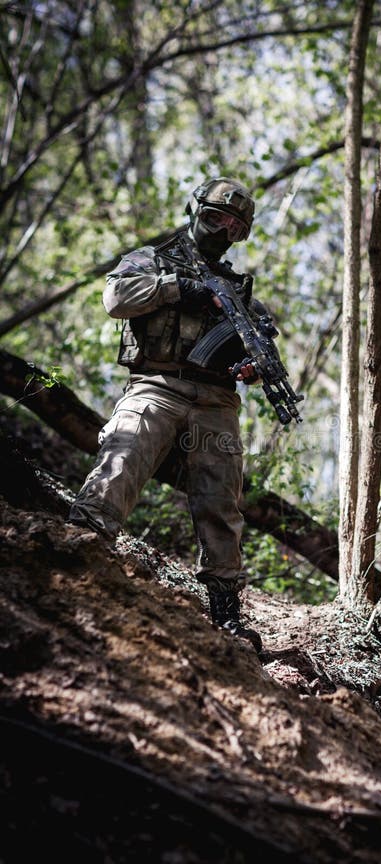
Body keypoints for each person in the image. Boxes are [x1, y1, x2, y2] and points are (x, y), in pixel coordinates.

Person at [68, 177, 268, 652]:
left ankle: (225, 609)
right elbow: (115, 300)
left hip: (216, 402)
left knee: (221, 498)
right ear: (195, 210)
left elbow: (260, 352)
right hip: (157, 384)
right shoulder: (150, 260)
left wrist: (252, 365)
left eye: (236, 226)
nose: (223, 230)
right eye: (216, 216)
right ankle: (81, 543)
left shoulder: (241, 293)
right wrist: (178, 288)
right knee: (127, 447)